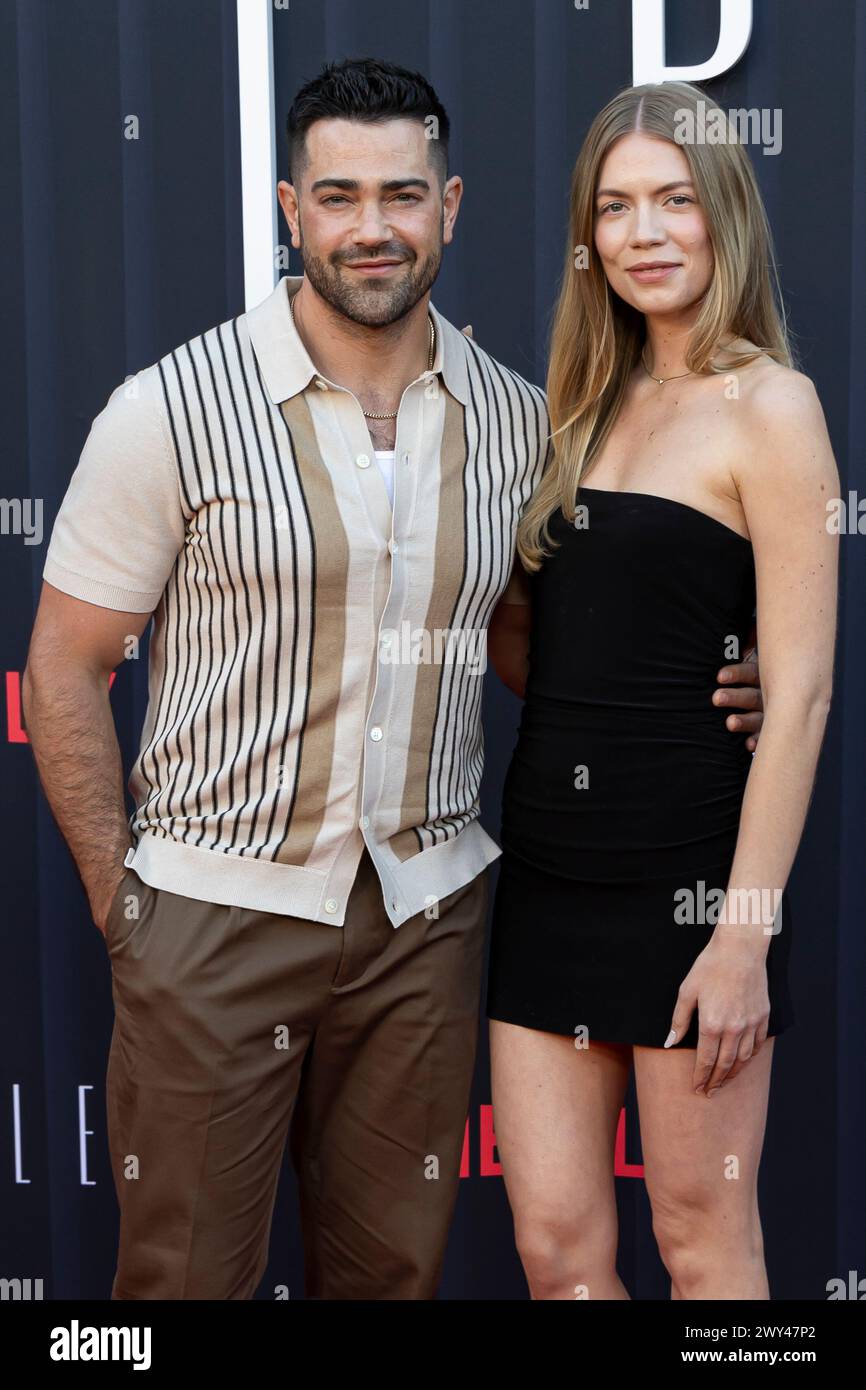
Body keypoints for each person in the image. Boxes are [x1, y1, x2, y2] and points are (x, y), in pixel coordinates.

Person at [23, 60, 766, 1301]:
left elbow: (544, 646)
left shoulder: (522, 423)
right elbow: (64, 666)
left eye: (403, 195)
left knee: (390, 1280)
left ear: (452, 206)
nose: (372, 227)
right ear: (289, 208)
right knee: (179, 1286)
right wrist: (127, 914)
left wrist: (708, 683)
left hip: (426, 921)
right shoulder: (166, 410)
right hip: (212, 913)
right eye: (338, 195)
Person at [485, 81, 838, 1301]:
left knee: (705, 1248)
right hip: (542, 872)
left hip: (690, 881)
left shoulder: (772, 407)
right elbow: (536, 651)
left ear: (722, 214)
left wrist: (740, 935)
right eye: (616, 206)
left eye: (672, 201)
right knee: (559, 1257)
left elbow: (793, 698)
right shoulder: (573, 410)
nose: (644, 232)